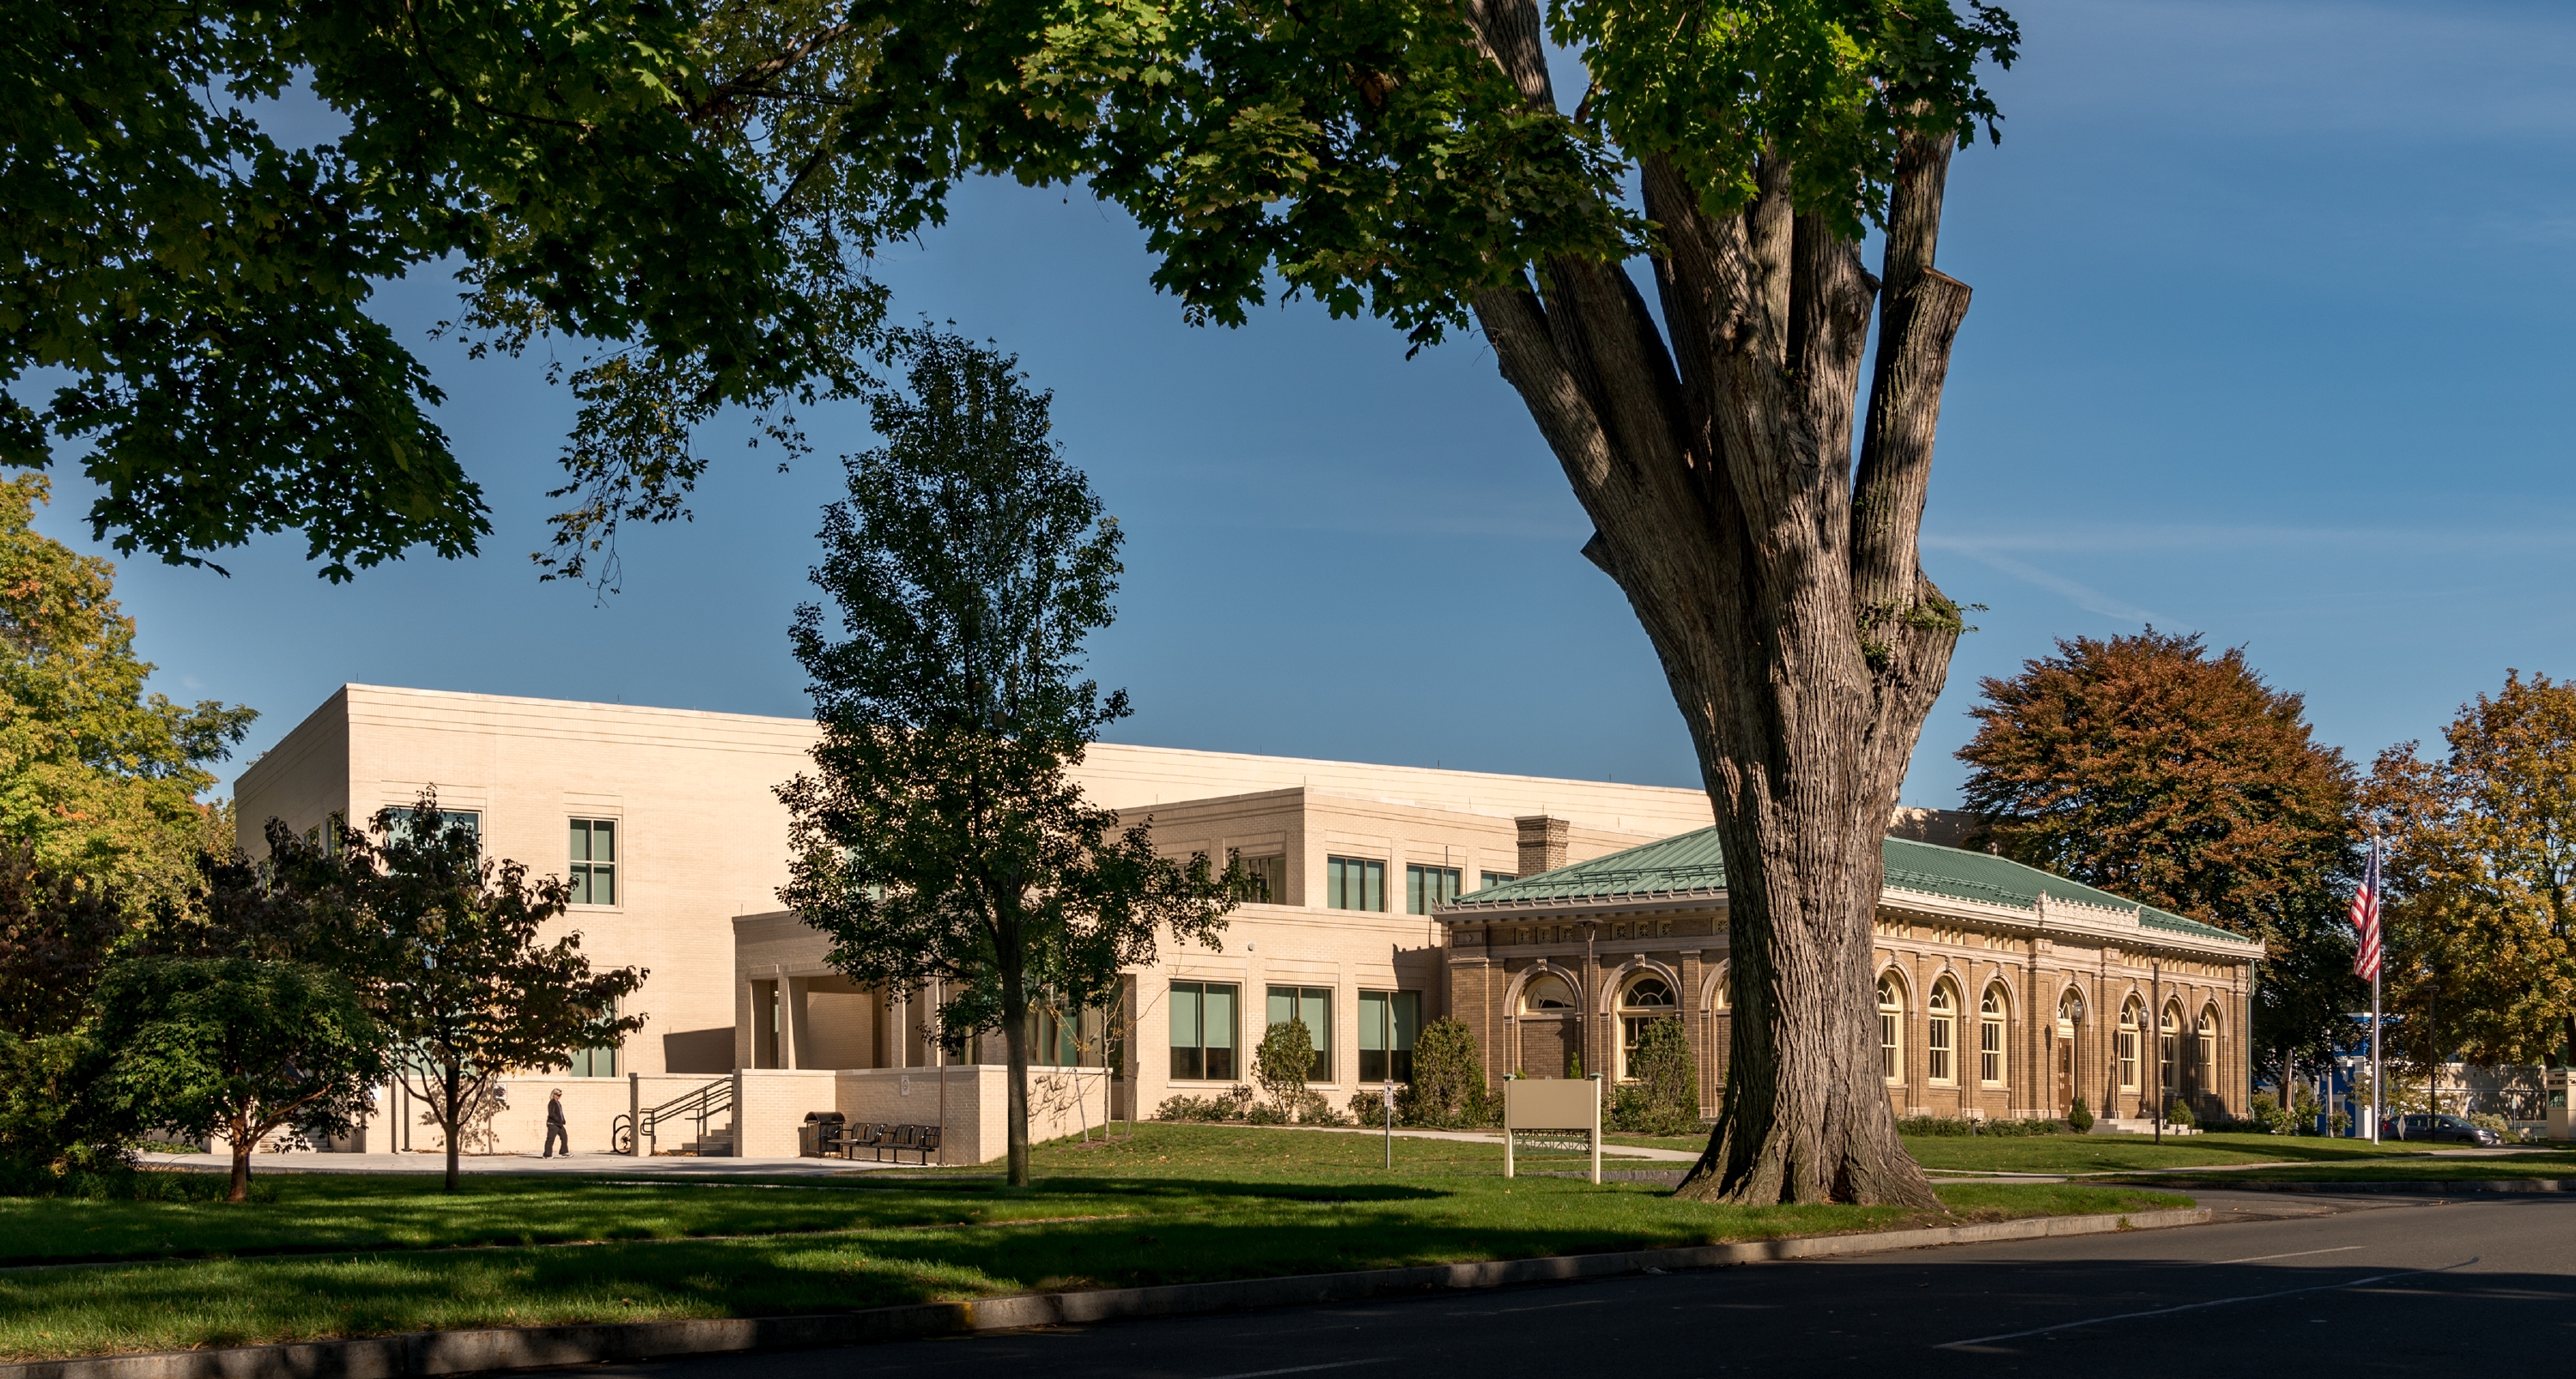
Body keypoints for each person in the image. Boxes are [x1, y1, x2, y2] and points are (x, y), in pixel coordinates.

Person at [543, 1088, 569, 1158]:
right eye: (558, 1095)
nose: (560, 1096)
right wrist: (558, 1120)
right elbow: (551, 1114)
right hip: (553, 1124)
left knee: (564, 1136)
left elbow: (560, 1113)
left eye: (560, 1095)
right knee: (551, 1138)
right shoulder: (552, 1102)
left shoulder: (558, 1103)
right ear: (554, 1095)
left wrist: (563, 1120)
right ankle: (547, 1155)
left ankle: (564, 1152)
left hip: (559, 1124)